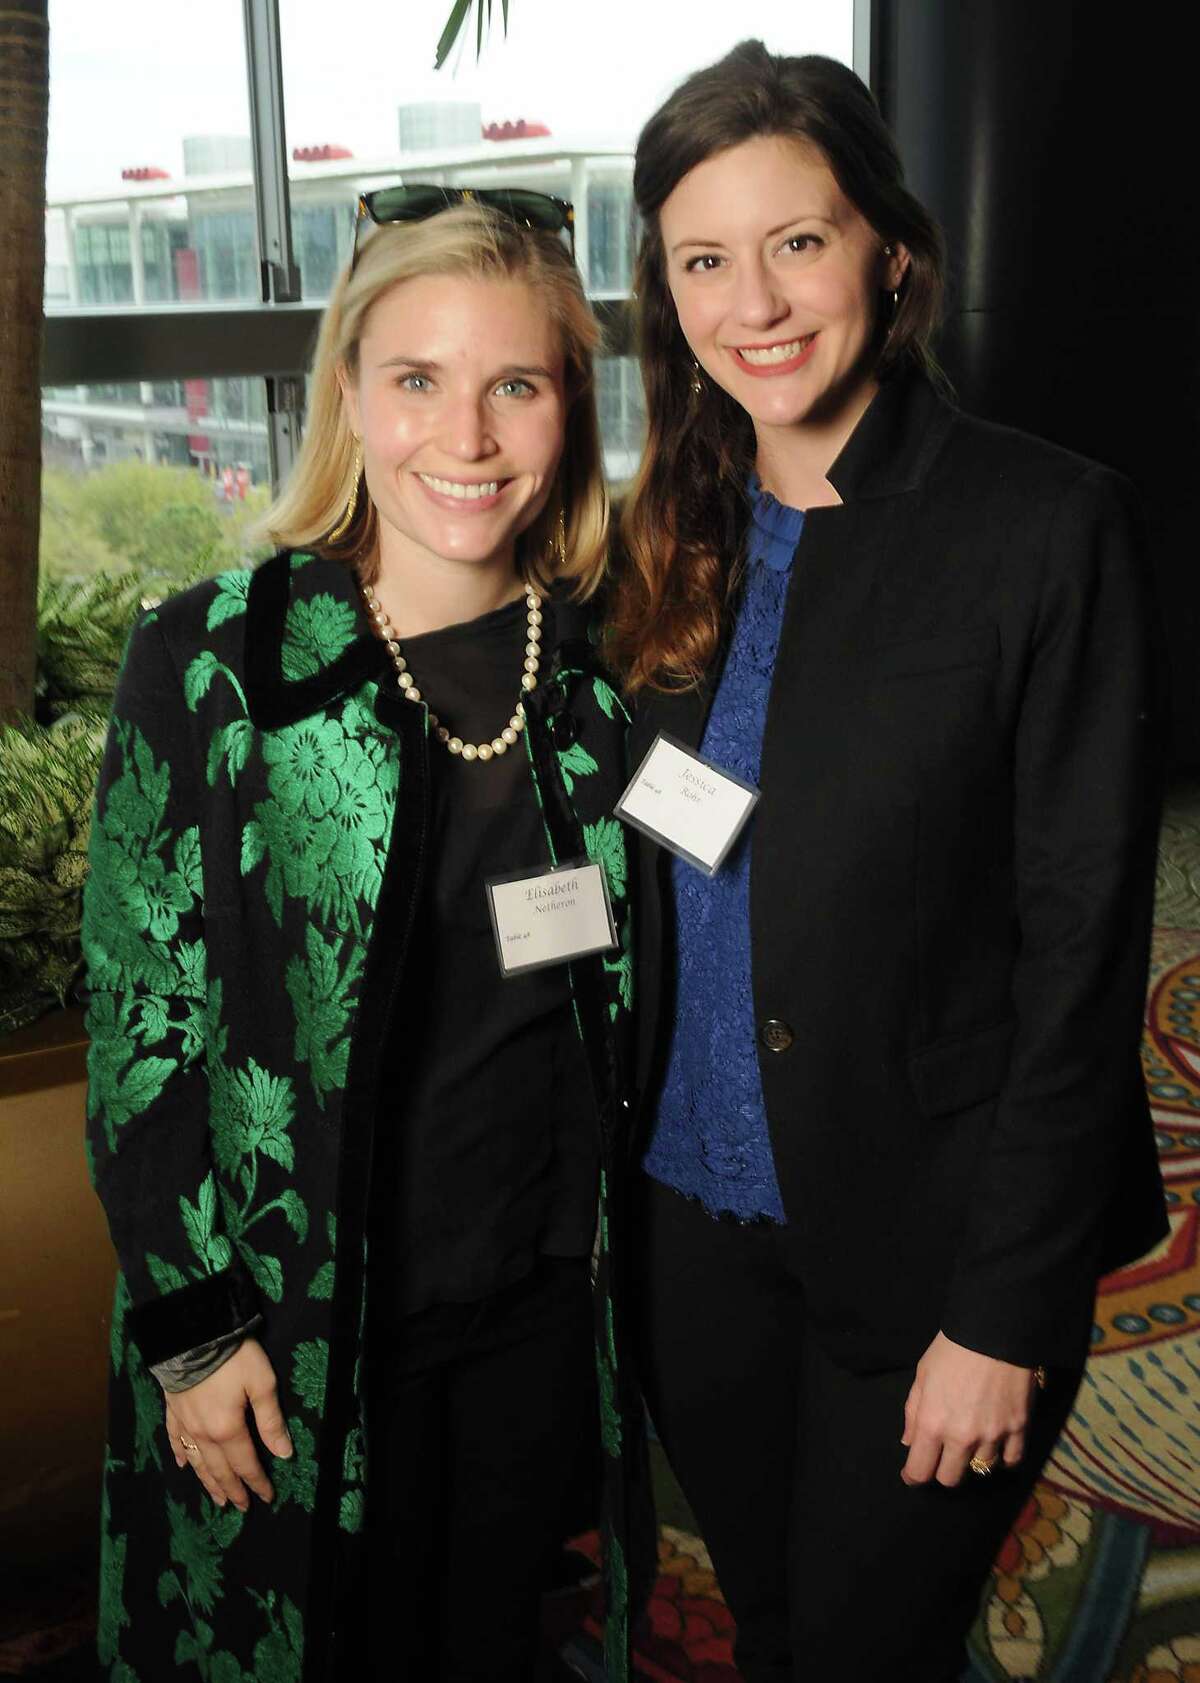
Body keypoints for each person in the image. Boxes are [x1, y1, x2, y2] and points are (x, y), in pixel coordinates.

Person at [608, 42, 1168, 1683]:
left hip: (931, 1245)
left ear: (892, 252)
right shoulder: (654, 542)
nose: (755, 302)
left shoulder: (1044, 527)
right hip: (691, 1241)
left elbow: (1084, 951)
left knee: (868, 1649)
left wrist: (1004, 1308)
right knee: (776, 1629)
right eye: (706, 260)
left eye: (799, 242)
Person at [82, 191, 645, 1683]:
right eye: (417, 381)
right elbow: (142, 1028)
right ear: (347, 391)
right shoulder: (212, 659)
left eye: (513, 385)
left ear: (566, 405)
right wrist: (194, 1337)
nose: (464, 438)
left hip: (529, 1316)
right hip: (286, 1331)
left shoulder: (608, 674)